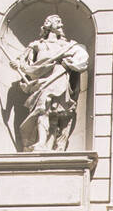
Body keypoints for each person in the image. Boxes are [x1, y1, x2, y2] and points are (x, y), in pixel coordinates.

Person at [12, 14, 90, 152]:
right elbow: (22, 61)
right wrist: (17, 64)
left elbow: (82, 59)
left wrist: (71, 63)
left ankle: (49, 145)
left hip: (60, 77)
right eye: (58, 22)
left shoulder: (68, 45)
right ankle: (41, 142)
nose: (61, 25)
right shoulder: (37, 45)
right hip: (42, 81)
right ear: (49, 25)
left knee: (55, 111)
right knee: (42, 108)